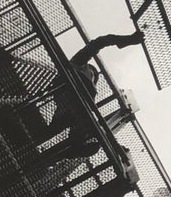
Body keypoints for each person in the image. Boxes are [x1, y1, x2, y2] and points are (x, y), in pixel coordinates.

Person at [39, 31, 144, 164]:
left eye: (94, 75)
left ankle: (61, 153)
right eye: (93, 72)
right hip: (67, 97)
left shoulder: (89, 95)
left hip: (71, 108)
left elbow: (94, 119)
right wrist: (126, 39)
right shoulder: (78, 64)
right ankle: (61, 150)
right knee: (79, 127)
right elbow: (99, 42)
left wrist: (116, 146)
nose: (93, 75)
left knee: (85, 131)